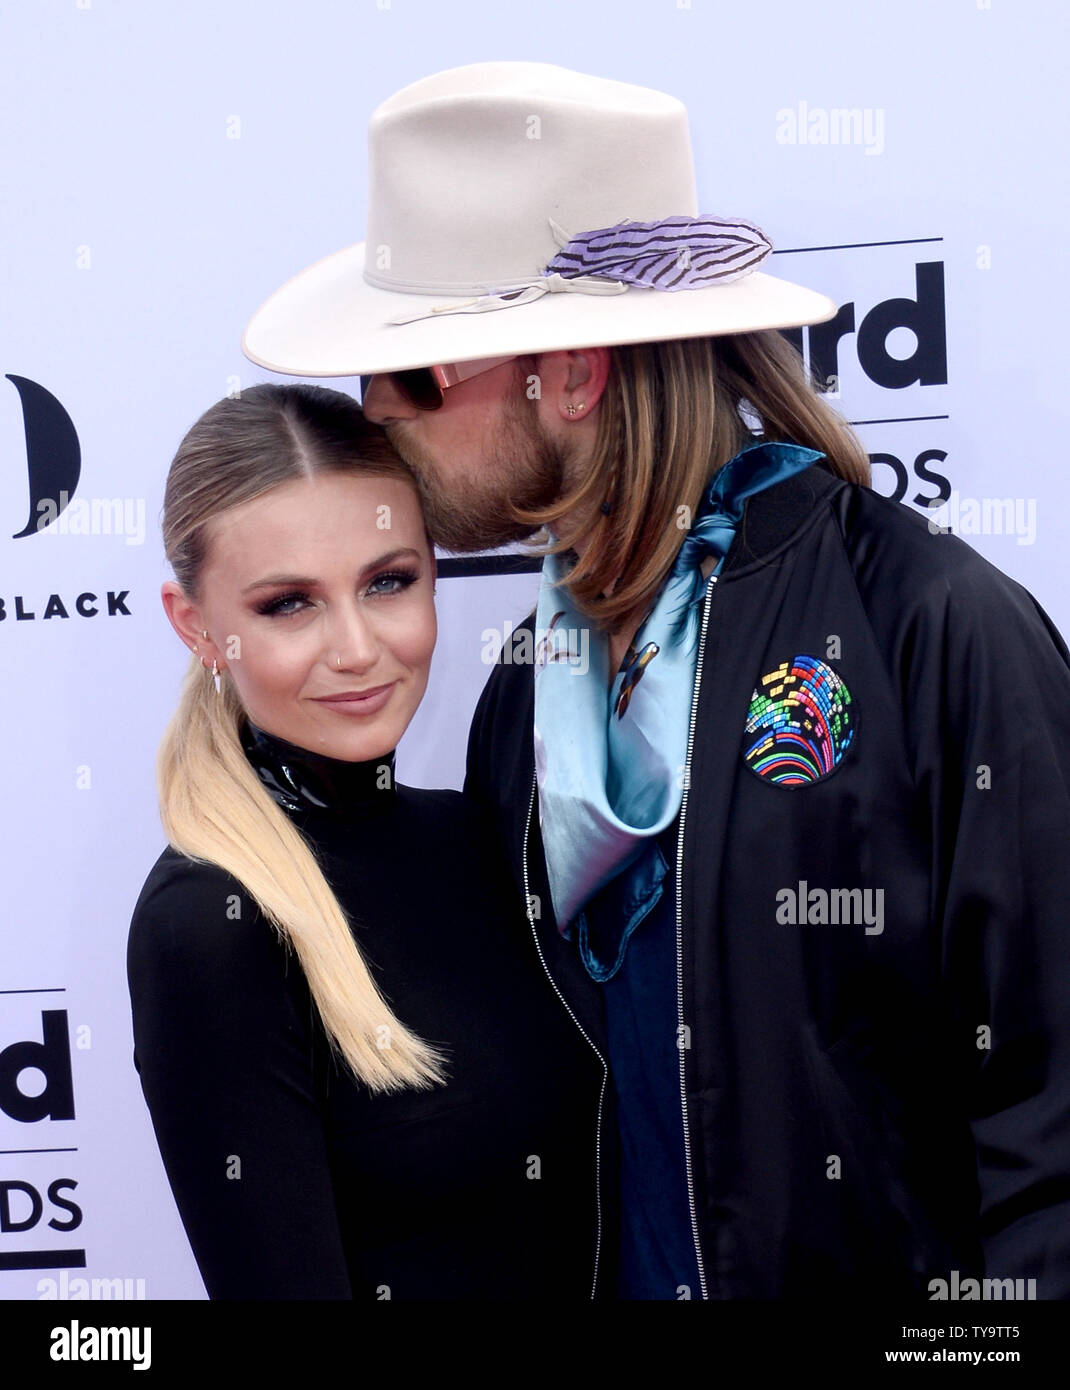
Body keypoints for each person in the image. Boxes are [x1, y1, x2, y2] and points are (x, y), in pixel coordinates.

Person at [242, 63, 1070, 1300]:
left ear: (568, 373)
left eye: (412, 379)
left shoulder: (930, 631)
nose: (371, 423)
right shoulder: (519, 705)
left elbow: (1048, 1129)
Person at [126, 382, 612, 1300]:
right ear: (197, 627)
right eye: (288, 605)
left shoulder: (486, 832)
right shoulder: (215, 922)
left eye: (388, 582)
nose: (355, 648)